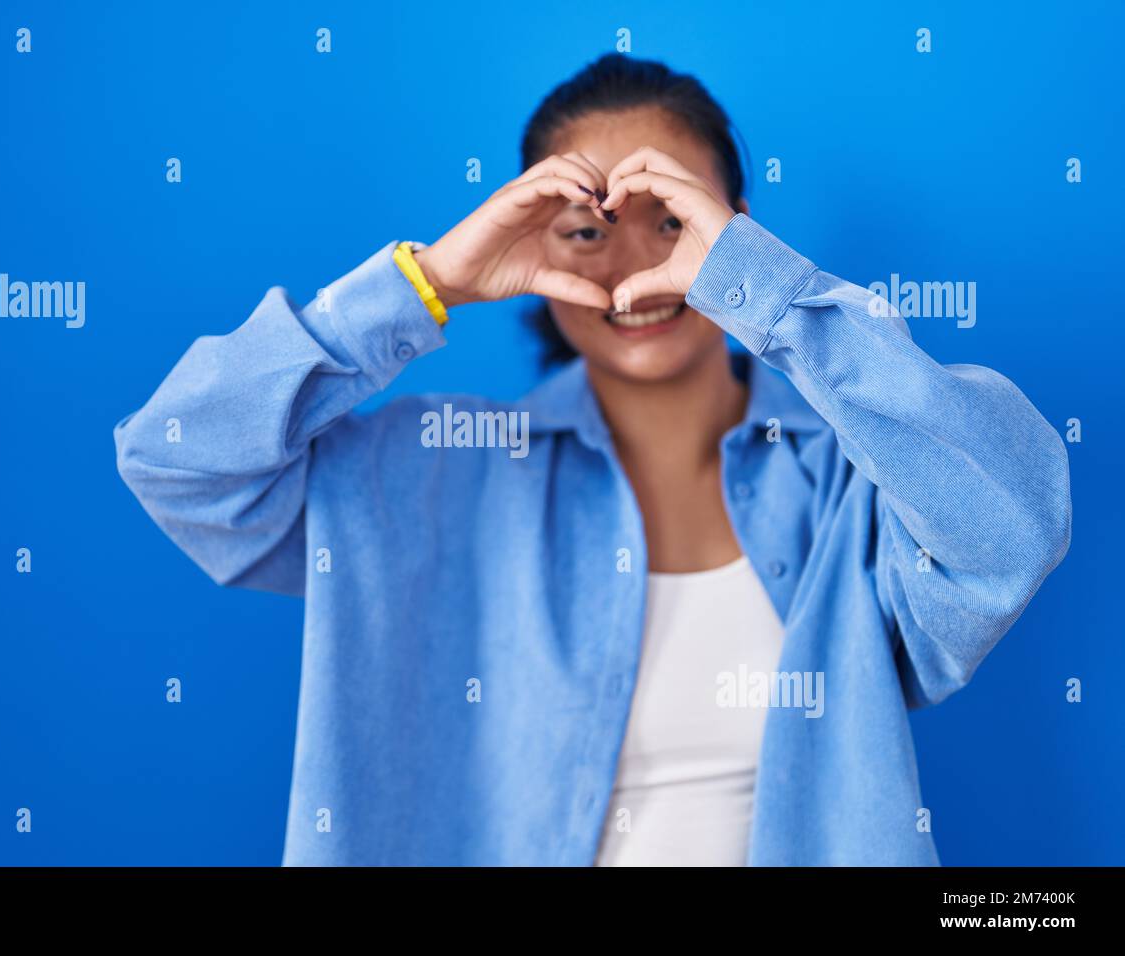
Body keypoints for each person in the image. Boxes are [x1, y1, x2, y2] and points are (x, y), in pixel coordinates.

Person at [113, 54, 1071, 865]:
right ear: (530, 248)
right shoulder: (429, 475)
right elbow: (177, 461)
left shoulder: (857, 485)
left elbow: (1013, 529)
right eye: (587, 232)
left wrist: (767, 293)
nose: (637, 272)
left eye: (672, 222)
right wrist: (426, 282)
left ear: (734, 228)